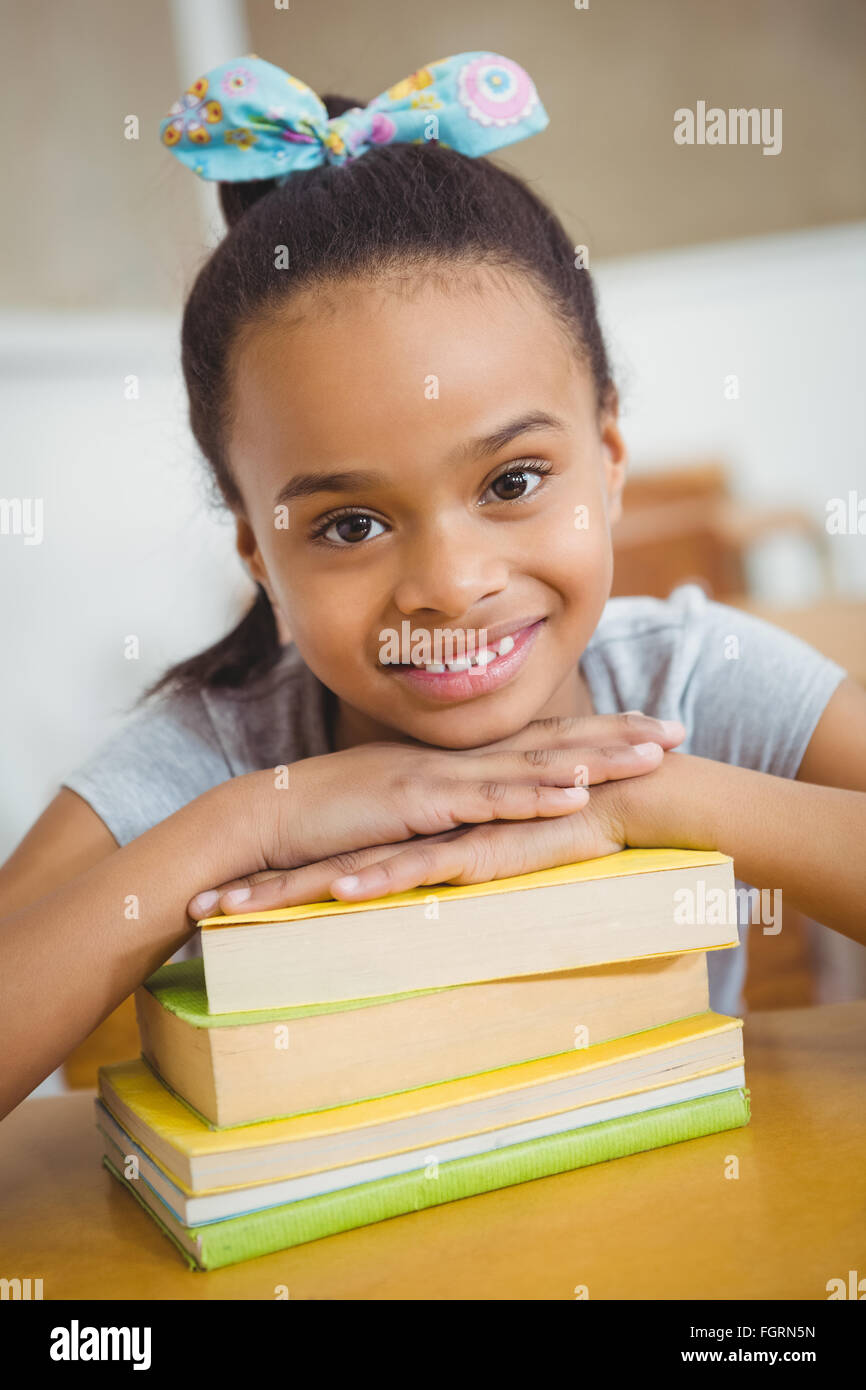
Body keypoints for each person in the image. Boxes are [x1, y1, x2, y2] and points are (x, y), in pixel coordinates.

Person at [2, 52, 864, 1120]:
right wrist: (244, 825)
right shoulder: (215, 755)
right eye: (348, 524)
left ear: (607, 463)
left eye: (510, 480)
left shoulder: (688, 680)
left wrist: (648, 801)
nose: (450, 588)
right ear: (257, 557)